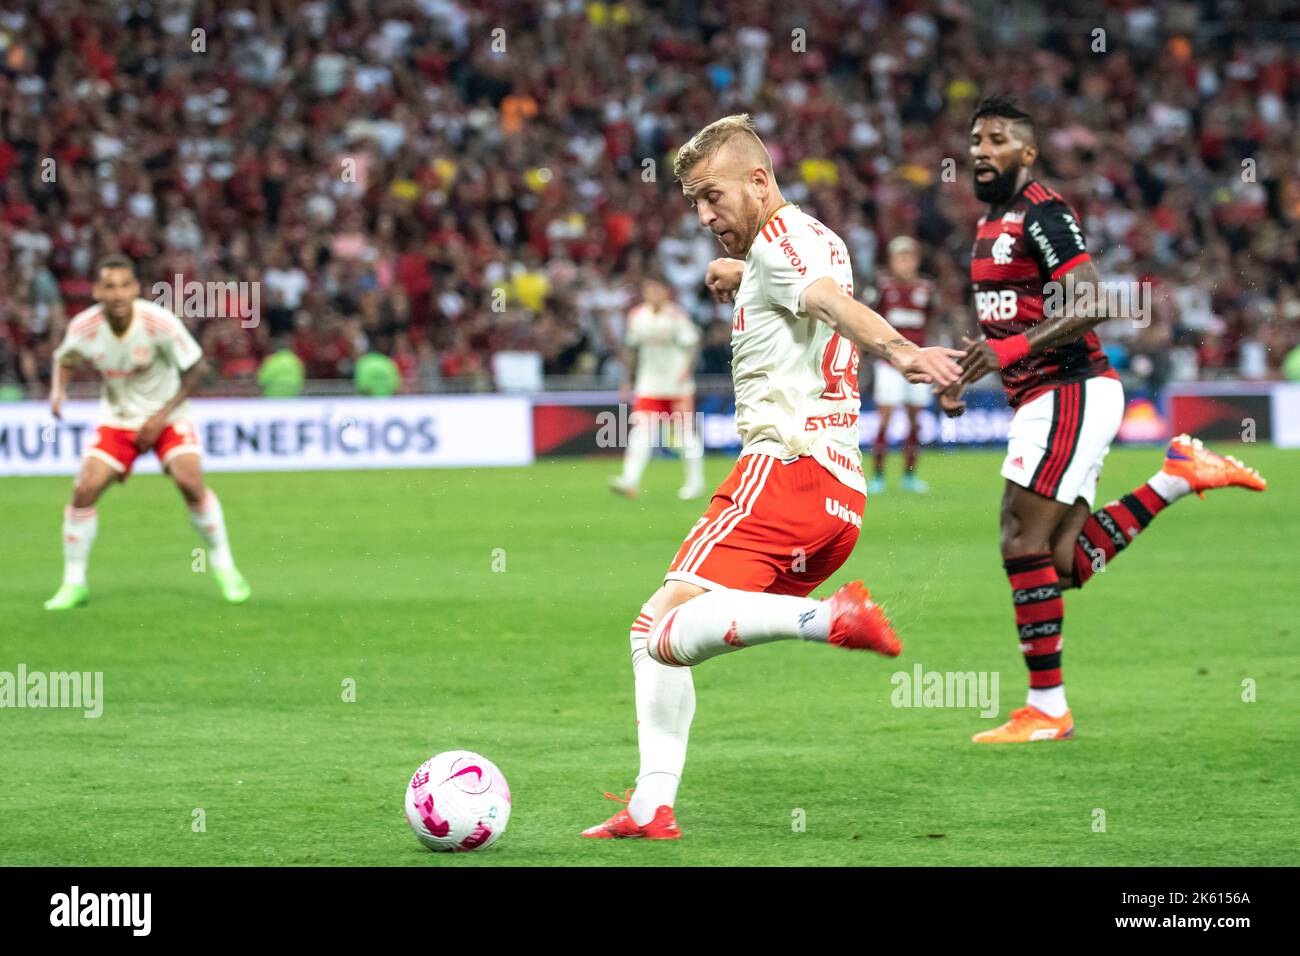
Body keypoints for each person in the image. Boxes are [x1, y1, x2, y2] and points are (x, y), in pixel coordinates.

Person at [582, 114, 962, 839]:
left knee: (655, 629)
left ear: (760, 181)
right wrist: (740, 272)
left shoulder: (784, 247)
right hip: (837, 501)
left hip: (781, 474)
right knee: (657, 633)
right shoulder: (811, 238)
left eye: (712, 197)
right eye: (694, 203)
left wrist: (903, 353)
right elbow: (796, 280)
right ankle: (649, 808)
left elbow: (825, 301)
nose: (703, 215)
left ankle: (829, 618)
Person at [942, 96, 1265, 743]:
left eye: (998, 139)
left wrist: (1009, 351)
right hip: (1047, 394)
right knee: (1058, 563)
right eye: (976, 139)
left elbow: (1095, 300)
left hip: (1069, 387)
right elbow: (1009, 321)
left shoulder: (1044, 210)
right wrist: (970, 369)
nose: (981, 149)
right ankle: (1175, 477)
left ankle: (1048, 708)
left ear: (1026, 153)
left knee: (1018, 537)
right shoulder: (987, 225)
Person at [44, 255, 251, 610]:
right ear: (97, 291)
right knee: (84, 489)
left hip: (168, 416)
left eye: (125, 285)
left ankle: (224, 566)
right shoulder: (84, 327)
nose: (119, 294)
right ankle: (73, 583)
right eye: (110, 286)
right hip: (118, 419)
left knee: (190, 481)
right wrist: (58, 391)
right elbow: (65, 358)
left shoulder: (158, 322)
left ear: (136, 288)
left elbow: (200, 369)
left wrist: (160, 417)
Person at [609, 278, 705, 500]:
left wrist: (687, 370)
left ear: (666, 292)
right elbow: (632, 350)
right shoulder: (637, 316)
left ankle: (695, 482)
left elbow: (693, 344)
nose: (652, 294)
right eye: (648, 290)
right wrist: (627, 380)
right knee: (641, 433)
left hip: (677, 386)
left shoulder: (676, 316)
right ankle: (629, 481)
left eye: (656, 290)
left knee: (682, 436)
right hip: (649, 384)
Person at [867, 236, 940, 493]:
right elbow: (868, 318)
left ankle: (909, 476)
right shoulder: (883, 287)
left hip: (918, 364)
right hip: (889, 364)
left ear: (916, 260)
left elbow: (931, 320)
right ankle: (878, 475)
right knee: (885, 420)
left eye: (909, 257)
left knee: (914, 421)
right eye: (900, 258)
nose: (904, 263)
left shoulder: (926, 289)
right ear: (892, 261)